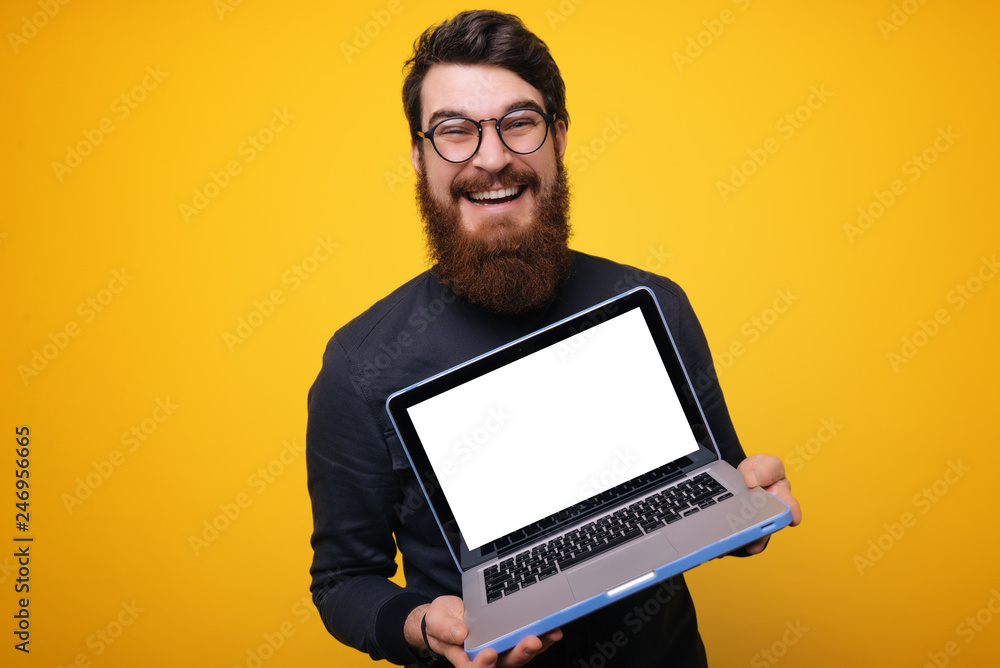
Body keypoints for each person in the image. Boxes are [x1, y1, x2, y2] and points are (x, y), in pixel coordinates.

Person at [306, 10, 801, 668]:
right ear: (420, 156)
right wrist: (423, 624)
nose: (492, 157)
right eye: (456, 131)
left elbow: (717, 484)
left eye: (519, 122)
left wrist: (749, 512)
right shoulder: (360, 366)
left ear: (559, 138)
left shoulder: (655, 302)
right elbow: (343, 583)